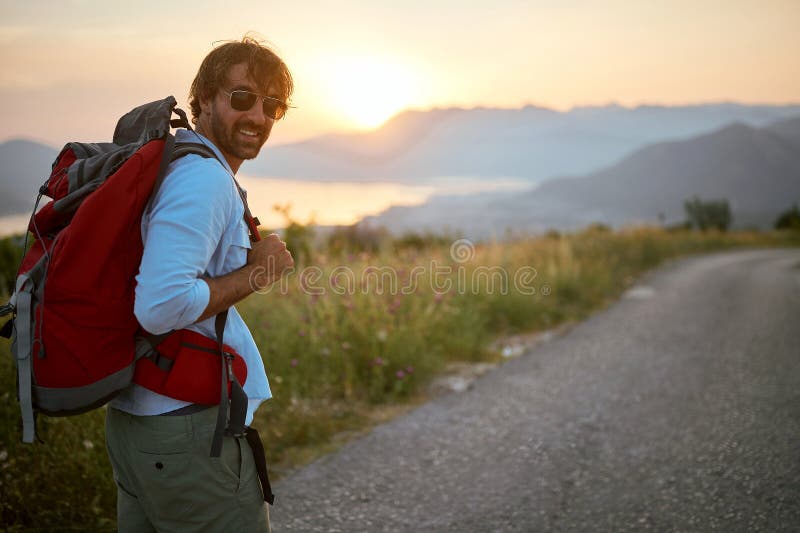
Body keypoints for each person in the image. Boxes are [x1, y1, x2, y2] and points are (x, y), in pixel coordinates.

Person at [105, 36, 294, 532]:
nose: (258, 114)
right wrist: (259, 273)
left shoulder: (179, 162)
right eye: (242, 97)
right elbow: (159, 306)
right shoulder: (203, 179)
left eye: (272, 104)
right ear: (205, 99)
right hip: (185, 433)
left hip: (142, 423)